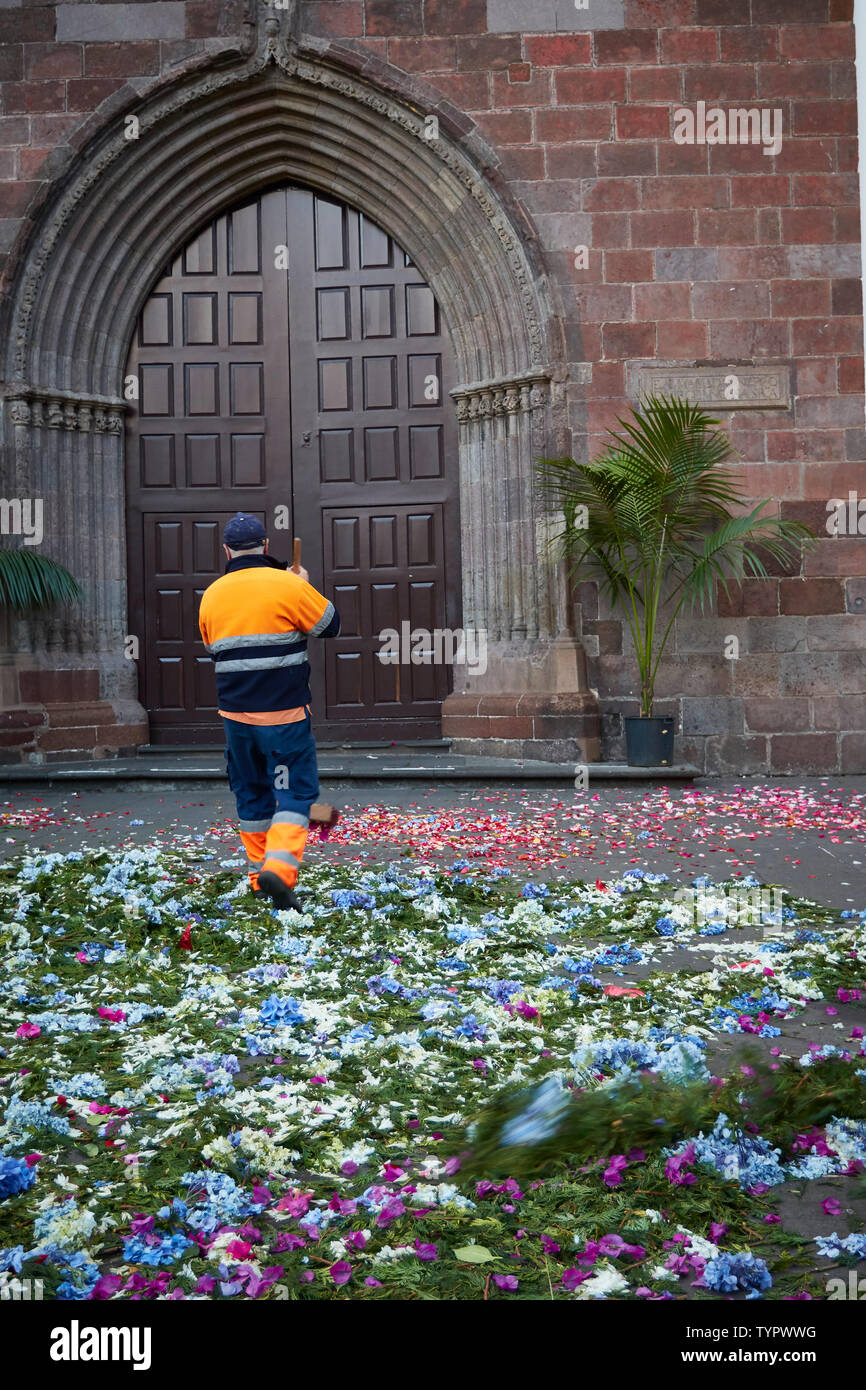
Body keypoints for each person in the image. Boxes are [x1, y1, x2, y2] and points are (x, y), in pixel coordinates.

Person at [198, 512, 340, 911]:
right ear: (265, 547)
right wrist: (302, 586)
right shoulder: (287, 584)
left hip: (236, 720)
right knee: (295, 792)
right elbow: (330, 625)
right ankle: (279, 867)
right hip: (284, 717)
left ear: (226, 550)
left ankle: (259, 879)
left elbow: (214, 649)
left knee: (252, 794)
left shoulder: (212, 595)